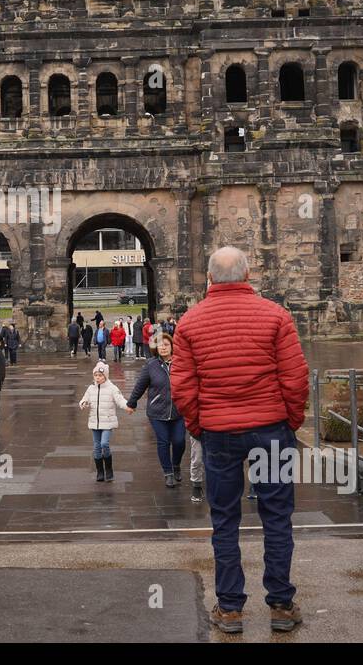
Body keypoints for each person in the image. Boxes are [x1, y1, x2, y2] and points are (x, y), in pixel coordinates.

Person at [171, 246, 309, 635]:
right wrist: (289, 422)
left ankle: (230, 608)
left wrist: (199, 425)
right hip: (272, 432)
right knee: (277, 517)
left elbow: (183, 387)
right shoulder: (276, 316)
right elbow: (296, 379)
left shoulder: (190, 322)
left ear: (210, 279)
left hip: (219, 434)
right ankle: (281, 604)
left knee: (225, 520)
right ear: (248, 276)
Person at [126, 331, 185, 488]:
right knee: (163, 441)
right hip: (157, 411)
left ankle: (176, 465)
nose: (163, 347)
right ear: (156, 348)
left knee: (179, 441)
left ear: (172, 346)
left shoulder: (182, 362)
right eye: (160, 345)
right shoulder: (151, 364)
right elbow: (140, 385)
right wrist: (131, 403)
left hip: (179, 411)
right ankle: (168, 473)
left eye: (166, 344)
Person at [79, 361, 129, 482]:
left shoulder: (112, 388)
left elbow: (120, 400)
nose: (98, 378)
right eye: (96, 375)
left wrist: (128, 406)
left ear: (105, 376)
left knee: (104, 444)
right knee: (96, 447)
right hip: (94, 421)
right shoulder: (91, 388)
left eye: (100, 375)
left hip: (107, 421)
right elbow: (85, 399)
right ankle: (100, 471)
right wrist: (83, 403)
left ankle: (109, 468)